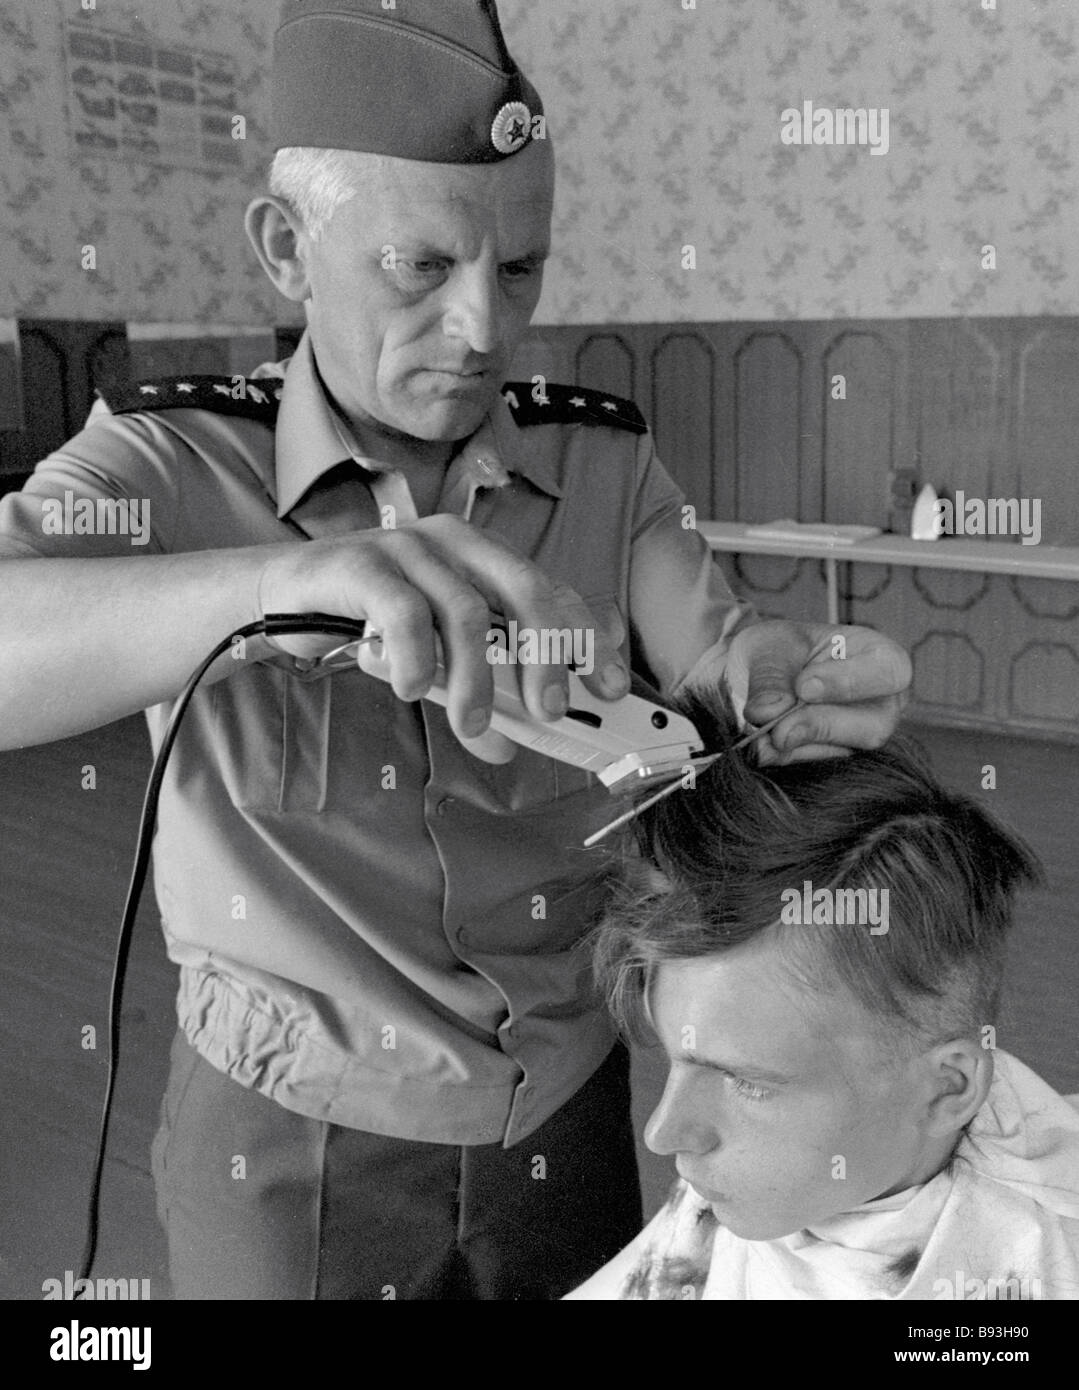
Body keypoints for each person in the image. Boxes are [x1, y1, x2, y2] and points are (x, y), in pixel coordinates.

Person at [0, 0, 910, 1299]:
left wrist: (773, 681)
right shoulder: (170, 460)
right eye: (420, 269)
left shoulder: (598, 457)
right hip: (288, 1130)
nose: (485, 329)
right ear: (284, 247)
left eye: (521, 267)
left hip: (569, 1109)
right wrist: (293, 580)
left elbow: (710, 656)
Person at [568, 689, 1079, 1300]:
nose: (665, 1132)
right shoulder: (768, 1178)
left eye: (747, 1082)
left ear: (949, 1088)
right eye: (677, 1060)